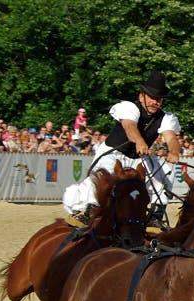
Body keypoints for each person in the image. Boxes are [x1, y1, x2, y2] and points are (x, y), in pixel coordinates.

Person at [62, 70, 181, 227]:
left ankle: (155, 215)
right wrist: (139, 141)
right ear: (142, 96)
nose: (155, 102)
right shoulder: (129, 108)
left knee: (164, 171)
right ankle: (89, 210)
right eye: (152, 97)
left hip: (139, 157)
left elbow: (171, 137)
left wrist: (174, 151)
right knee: (102, 174)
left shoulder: (165, 118)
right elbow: (129, 126)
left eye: (159, 99)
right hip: (114, 152)